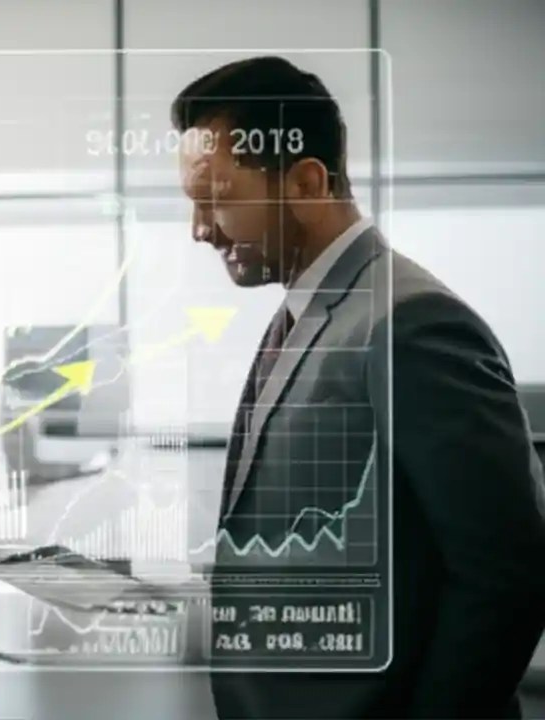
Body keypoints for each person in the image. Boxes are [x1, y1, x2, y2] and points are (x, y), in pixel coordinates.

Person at [173, 55, 545, 718]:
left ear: (307, 183)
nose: (200, 230)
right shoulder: (303, 311)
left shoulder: (413, 323)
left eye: (219, 200)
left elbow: (508, 576)